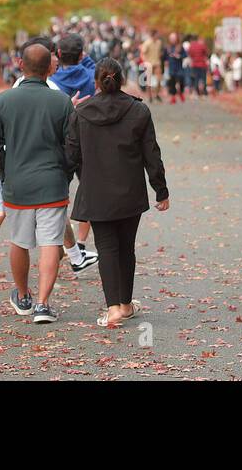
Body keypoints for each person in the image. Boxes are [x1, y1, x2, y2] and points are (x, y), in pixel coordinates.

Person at [66, 58, 169, 327]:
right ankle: (125, 304)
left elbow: (71, 155)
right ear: (122, 80)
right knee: (126, 247)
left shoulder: (81, 113)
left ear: (96, 82)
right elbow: (151, 154)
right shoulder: (138, 111)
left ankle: (113, 308)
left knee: (106, 247)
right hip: (129, 191)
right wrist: (161, 190)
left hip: (96, 190)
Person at [0, 42, 74, 324]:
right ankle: (43, 305)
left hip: (18, 181)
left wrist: (5, 170)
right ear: (50, 67)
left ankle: (23, 295)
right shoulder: (61, 102)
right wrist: (66, 171)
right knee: (50, 241)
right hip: (52, 180)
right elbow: (72, 145)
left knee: (20, 241)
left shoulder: (4, 101)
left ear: (20, 65)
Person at [50, 33, 100, 272]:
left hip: (62, 142)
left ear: (58, 55)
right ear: (82, 55)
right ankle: (80, 243)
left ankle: (64, 245)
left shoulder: (52, 80)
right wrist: (85, 59)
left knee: (58, 196)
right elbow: (92, 68)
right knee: (90, 190)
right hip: (89, 139)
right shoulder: (91, 76)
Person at [139, 31, 164, 102]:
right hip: (149, 63)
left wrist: (160, 55)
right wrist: (144, 61)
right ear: (153, 35)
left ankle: (156, 94)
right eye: (157, 35)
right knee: (148, 81)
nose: (158, 36)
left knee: (159, 79)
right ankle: (149, 96)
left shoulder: (159, 42)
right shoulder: (147, 43)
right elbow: (142, 52)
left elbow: (159, 52)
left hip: (157, 63)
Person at [165, 33, 186, 104]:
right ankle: (173, 97)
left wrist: (179, 56)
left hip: (179, 67)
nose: (172, 40)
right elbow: (165, 56)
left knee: (181, 80)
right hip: (171, 67)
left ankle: (181, 92)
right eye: (171, 38)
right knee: (172, 82)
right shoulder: (167, 47)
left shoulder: (180, 46)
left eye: (174, 38)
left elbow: (185, 55)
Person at [187, 33, 210, 97]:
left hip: (195, 64)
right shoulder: (202, 45)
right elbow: (207, 53)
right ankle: (204, 92)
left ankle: (197, 92)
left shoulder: (191, 46)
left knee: (196, 79)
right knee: (203, 79)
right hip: (202, 64)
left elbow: (189, 54)